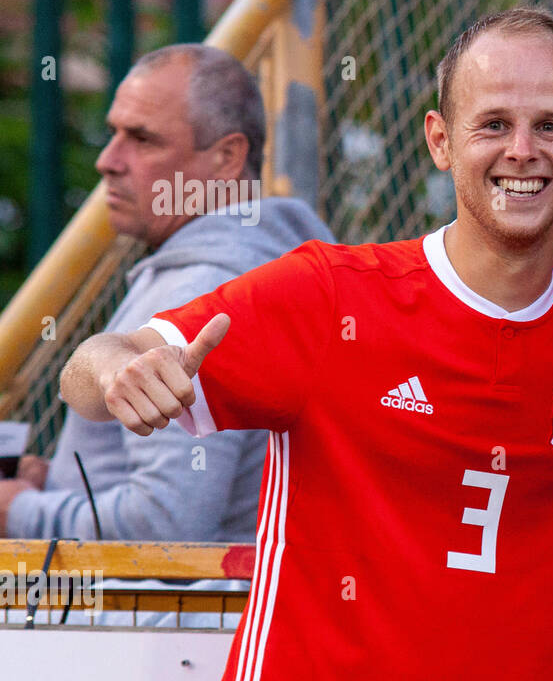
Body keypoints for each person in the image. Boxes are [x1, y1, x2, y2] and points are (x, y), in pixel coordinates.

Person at [59, 8, 553, 681]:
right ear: (440, 140)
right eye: (492, 124)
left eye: (550, 125)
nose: (522, 150)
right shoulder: (329, 295)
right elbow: (88, 369)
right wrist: (118, 371)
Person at [1, 44, 333, 627]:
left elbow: (169, 527)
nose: (108, 160)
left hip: (163, 642)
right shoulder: (271, 265)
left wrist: (22, 511)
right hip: (230, 625)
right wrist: (52, 487)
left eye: (143, 139)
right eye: (113, 133)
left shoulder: (204, 289)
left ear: (228, 157)